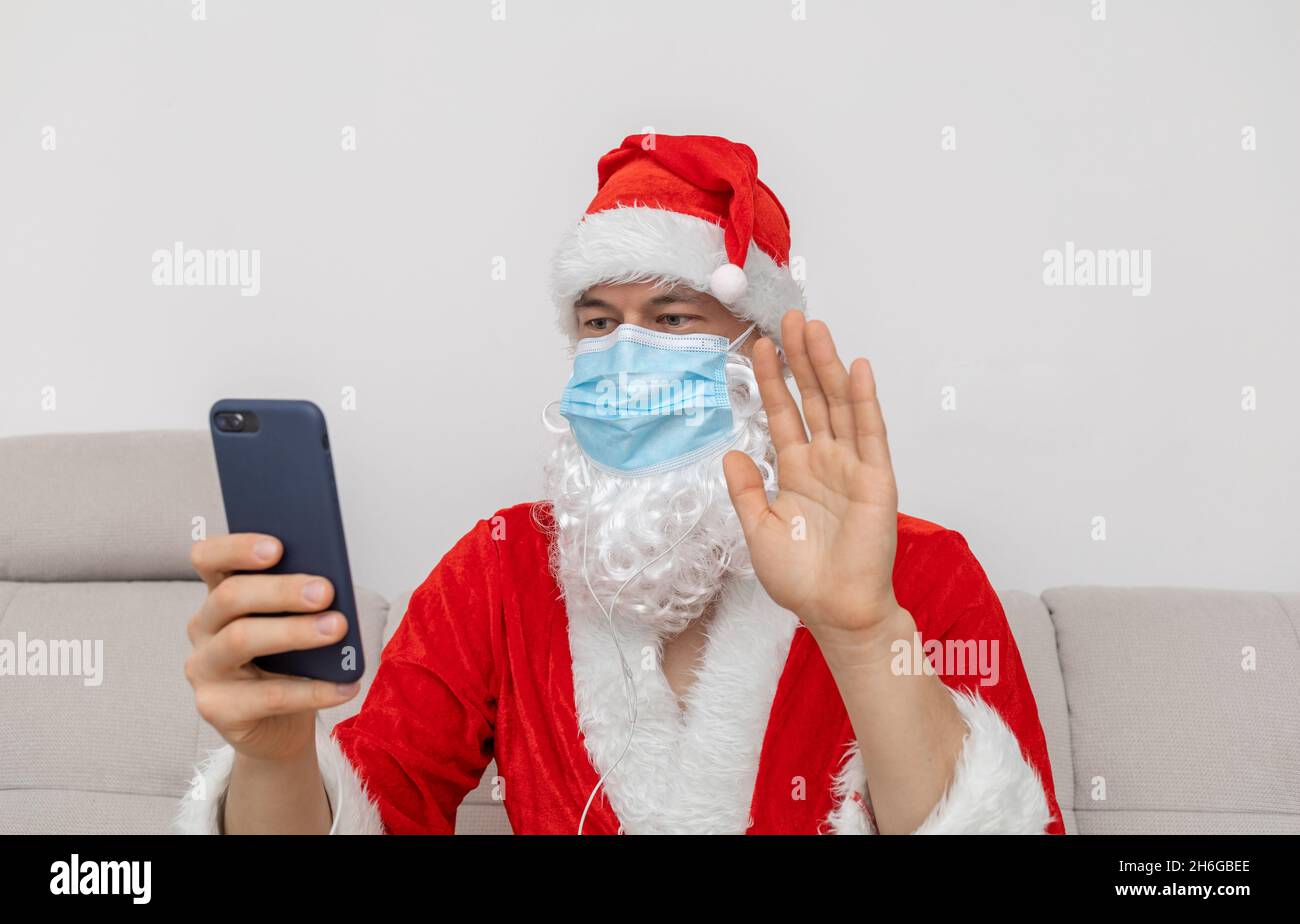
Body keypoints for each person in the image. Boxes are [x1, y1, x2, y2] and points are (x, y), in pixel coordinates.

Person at [176, 133, 1065, 835]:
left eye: (673, 317)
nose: (626, 352)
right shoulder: (502, 566)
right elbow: (379, 803)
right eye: (599, 322)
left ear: (757, 352)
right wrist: (277, 760)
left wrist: (864, 635)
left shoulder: (919, 571)